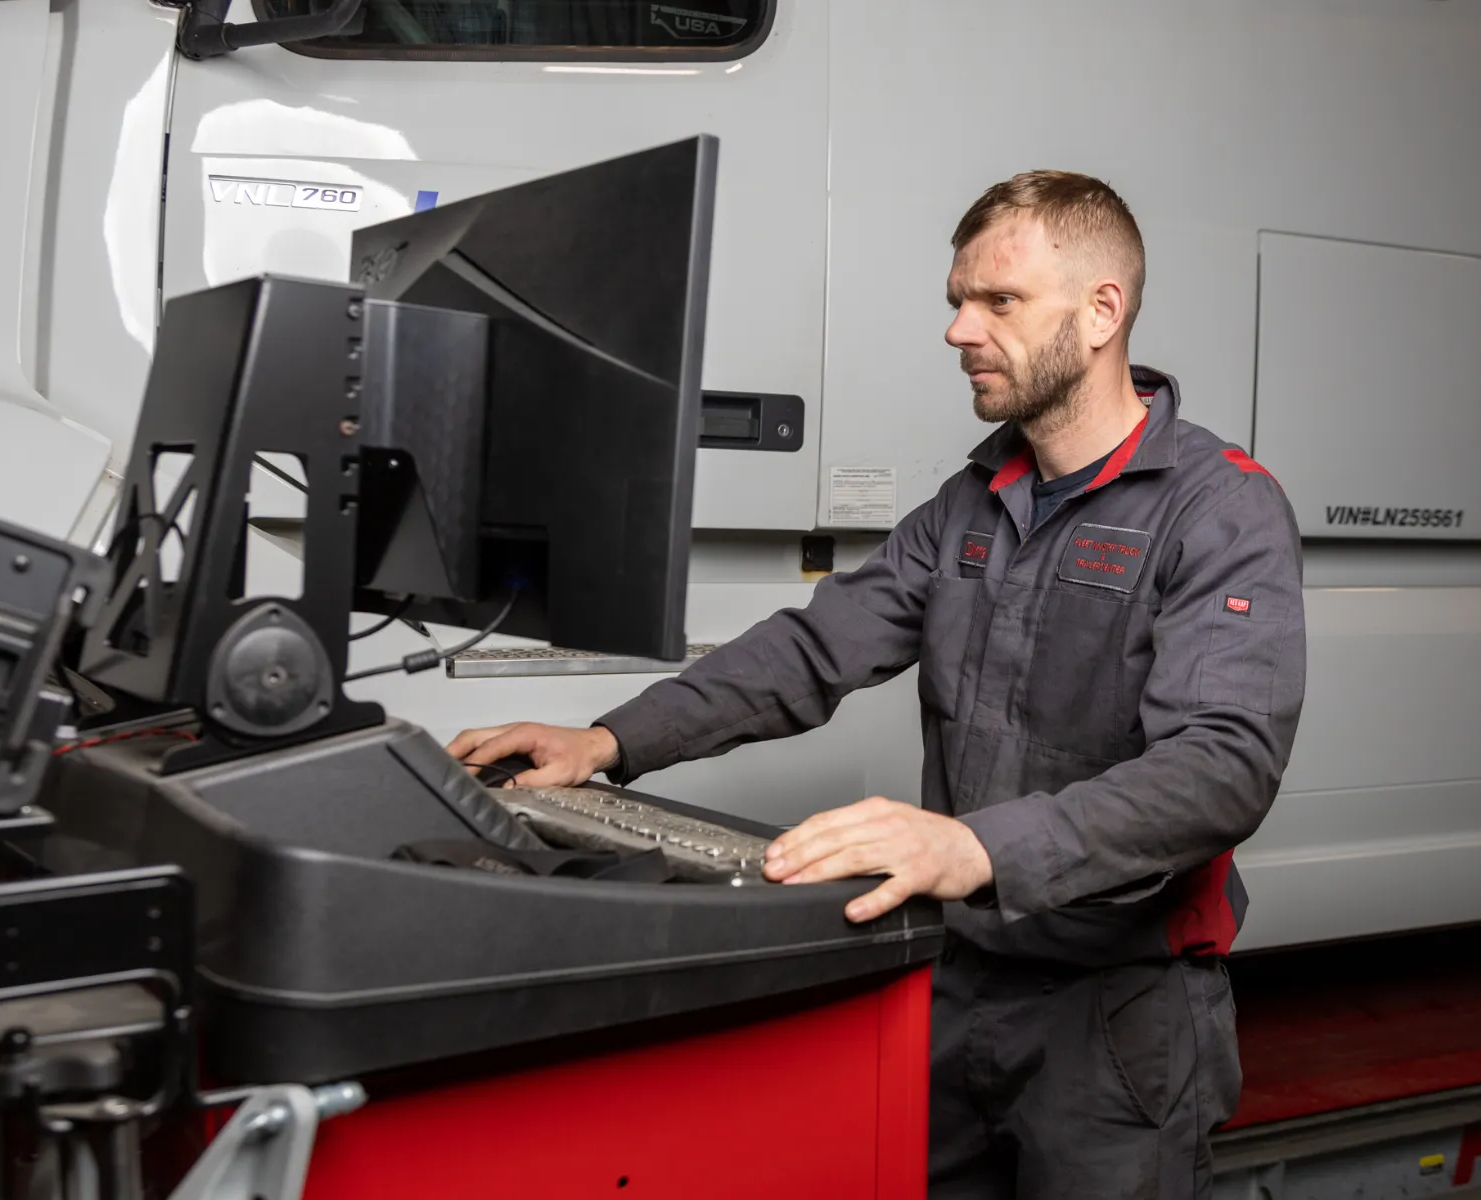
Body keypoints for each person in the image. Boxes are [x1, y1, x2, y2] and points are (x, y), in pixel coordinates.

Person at [448, 171, 1306, 1199]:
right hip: (950, 984)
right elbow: (815, 651)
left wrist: (974, 844)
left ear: (1101, 312)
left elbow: (1222, 770)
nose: (958, 330)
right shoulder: (973, 503)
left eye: (997, 302)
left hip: (1117, 1016)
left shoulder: (1219, 511)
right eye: (956, 300)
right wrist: (611, 744)